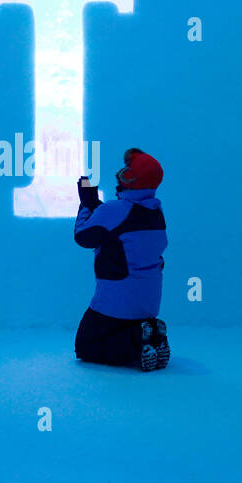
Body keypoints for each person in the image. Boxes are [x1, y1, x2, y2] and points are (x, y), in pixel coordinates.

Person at [73, 148, 169, 371]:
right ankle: (152, 333)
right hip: (149, 302)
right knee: (118, 328)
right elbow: (115, 225)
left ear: (132, 179)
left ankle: (135, 344)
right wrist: (96, 205)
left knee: (86, 346)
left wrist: (86, 204)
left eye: (126, 172)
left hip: (115, 302)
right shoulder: (156, 212)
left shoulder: (114, 210)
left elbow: (83, 236)